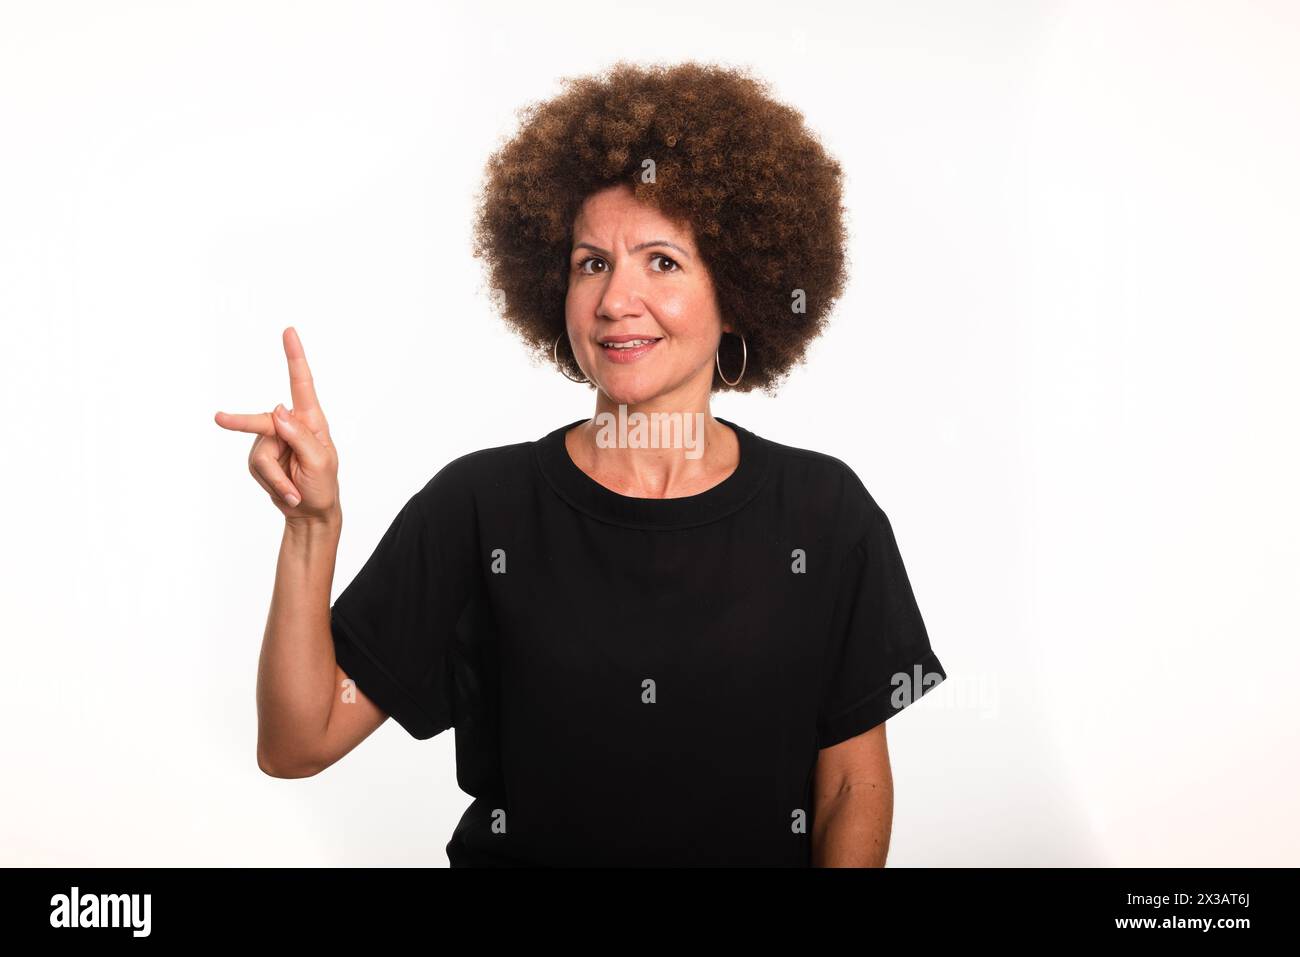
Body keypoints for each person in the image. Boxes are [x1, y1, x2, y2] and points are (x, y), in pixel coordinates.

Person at [215, 60, 947, 867]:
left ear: (737, 289)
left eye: (661, 262)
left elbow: (851, 787)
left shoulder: (825, 513)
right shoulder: (481, 506)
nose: (613, 300)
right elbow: (296, 740)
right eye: (591, 262)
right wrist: (311, 525)